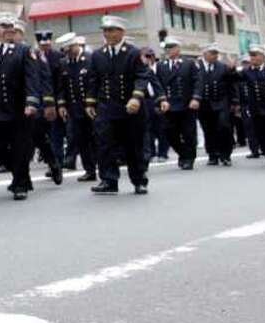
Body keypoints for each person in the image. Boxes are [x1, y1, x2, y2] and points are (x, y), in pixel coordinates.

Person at [0, 17, 41, 200]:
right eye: (4, 27)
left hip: (19, 109)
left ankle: (20, 184)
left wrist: (31, 102)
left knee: (20, 147)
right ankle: (21, 175)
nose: (9, 30)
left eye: (11, 27)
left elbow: (31, 78)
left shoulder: (23, 51)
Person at [86, 16, 152, 195]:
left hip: (129, 108)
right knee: (104, 144)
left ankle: (139, 180)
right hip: (106, 107)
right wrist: (90, 102)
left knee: (133, 145)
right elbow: (93, 80)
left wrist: (136, 97)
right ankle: (109, 180)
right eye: (105, 31)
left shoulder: (132, 52)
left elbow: (142, 76)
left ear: (122, 32)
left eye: (112, 30)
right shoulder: (98, 54)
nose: (108, 34)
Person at [155, 36, 200, 170]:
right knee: (169, 132)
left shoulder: (189, 63)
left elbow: (197, 81)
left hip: (187, 104)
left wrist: (196, 98)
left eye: (172, 47)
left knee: (189, 133)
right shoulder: (161, 65)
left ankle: (189, 158)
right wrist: (161, 100)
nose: (169, 50)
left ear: (178, 49)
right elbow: (158, 84)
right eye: (167, 48)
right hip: (169, 104)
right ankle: (183, 153)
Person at [57, 34, 96, 180]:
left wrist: (91, 103)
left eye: (70, 49)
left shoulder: (90, 59)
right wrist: (61, 104)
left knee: (98, 139)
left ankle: (105, 169)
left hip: (91, 107)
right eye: (66, 51)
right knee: (82, 140)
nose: (68, 53)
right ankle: (90, 170)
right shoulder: (64, 63)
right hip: (75, 108)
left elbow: (94, 83)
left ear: (76, 45)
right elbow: (61, 87)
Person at [33, 29, 66, 183]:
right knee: (41, 135)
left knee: (55, 134)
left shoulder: (58, 57)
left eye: (47, 44)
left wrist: (59, 102)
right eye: (42, 45)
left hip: (53, 100)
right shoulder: (33, 55)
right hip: (38, 102)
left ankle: (57, 163)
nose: (45, 47)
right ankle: (50, 161)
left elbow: (60, 82)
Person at [196, 44, 236, 166]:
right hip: (204, 104)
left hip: (221, 102)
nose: (215, 56)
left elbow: (232, 83)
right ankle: (212, 154)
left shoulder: (223, 67)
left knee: (224, 127)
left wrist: (232, 69)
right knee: (208, 130)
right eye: (212, 53)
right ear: (205, 54)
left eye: (216, 53)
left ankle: (225, 155)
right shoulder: (197, 66)